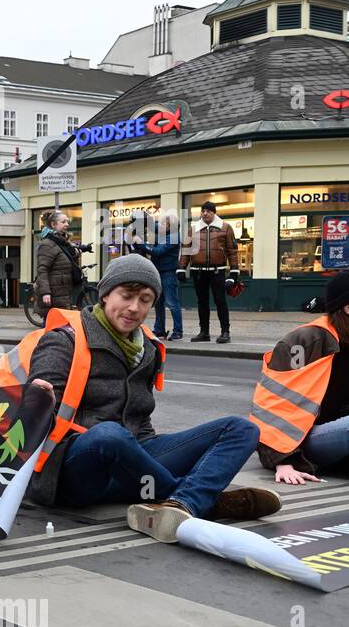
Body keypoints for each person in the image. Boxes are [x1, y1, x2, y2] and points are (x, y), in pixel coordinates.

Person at [22, 254, 278, 543]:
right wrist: (39, 397)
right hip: (76, 470)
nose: (134, 308)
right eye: (127, 296)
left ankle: (181, 504)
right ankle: (198, 500)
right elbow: (37, 405)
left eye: (145, 299)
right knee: (109, 435)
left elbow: (141, 420)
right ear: (105, 295)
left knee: (241, 429)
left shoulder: (148, 348)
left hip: (133, 464)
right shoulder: (64, 339)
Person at [254, 271, 349, 486]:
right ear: (347, 308)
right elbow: (272, 405)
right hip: (301, 442)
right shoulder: (305, 340)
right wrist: (284, 461)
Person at [179, 200, 239, 344]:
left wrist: (234, 273)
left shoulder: (225, 228)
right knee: (202, 303)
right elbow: (186, 250)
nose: (205, 213)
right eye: (203, 211)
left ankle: (225, 332)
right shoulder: (193, 229)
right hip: (198, 272)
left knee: (220, 301)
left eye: (209, 211)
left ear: (214, 213)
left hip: (217, 272)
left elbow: (232, 251)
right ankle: (204, 332)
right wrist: (181, 268)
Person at [33, 210, 83, 311]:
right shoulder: (48, 244)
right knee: (52, 325)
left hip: (63, 294)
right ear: (53, 224)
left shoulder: (63, 243)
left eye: (67, 222)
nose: (67, 224)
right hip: (53, 296)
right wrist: (45, 293)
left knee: (59, 325)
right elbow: (42, 270)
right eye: (63, 222)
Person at [149, 212, 183, 340]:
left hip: (168, 273)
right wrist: (146, 218)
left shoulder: (173, 237)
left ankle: (178, 331)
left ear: (171, 225)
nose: (161, 225)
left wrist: (142, 244)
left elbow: (158, 252)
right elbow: (154, 226)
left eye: (164, 223)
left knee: (172, 303)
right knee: (158, 302)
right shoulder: (164, 233)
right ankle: (159, 330)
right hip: (158, 272)